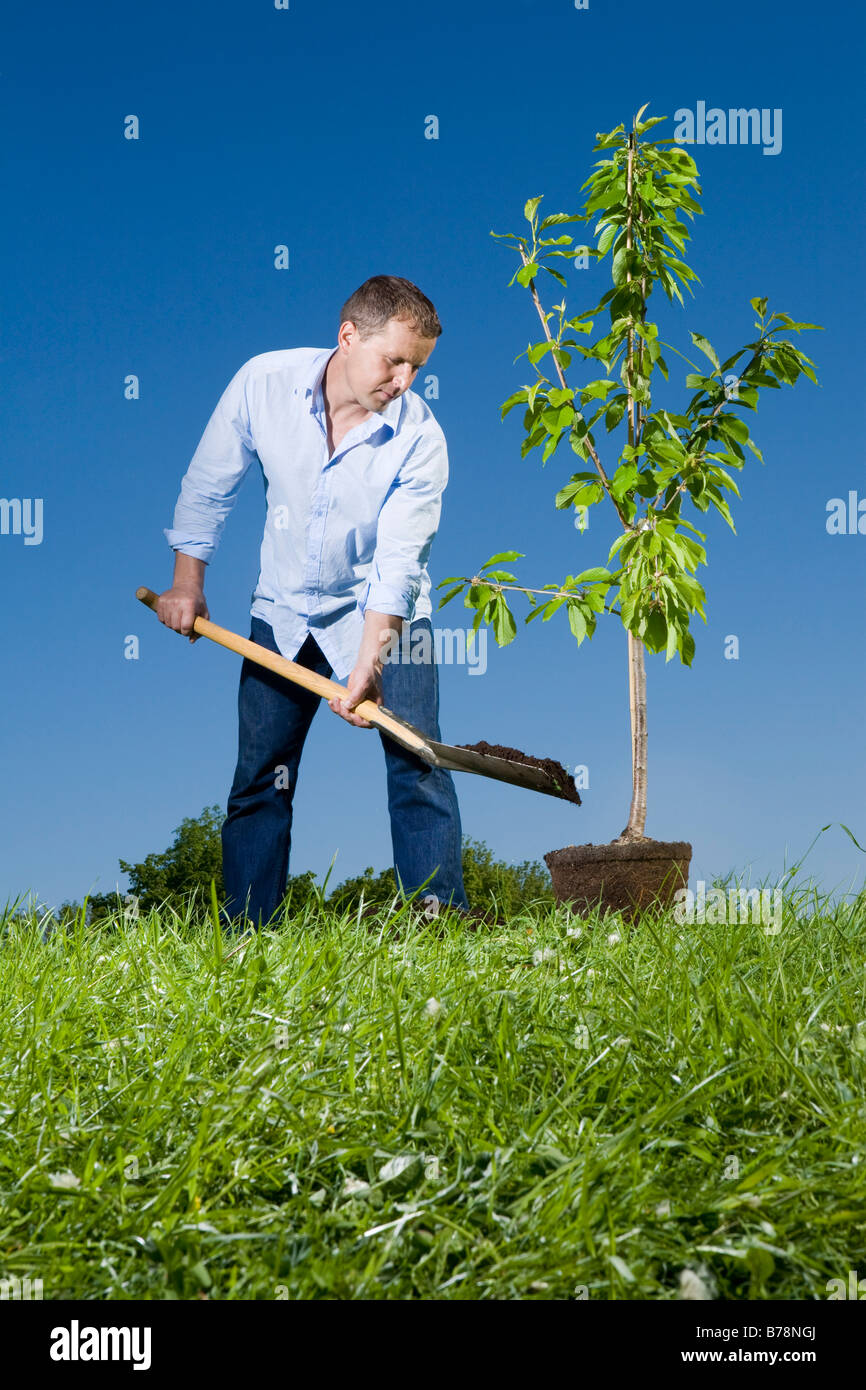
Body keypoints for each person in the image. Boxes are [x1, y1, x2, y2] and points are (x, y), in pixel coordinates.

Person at [156, 275, 470, 928]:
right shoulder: (262, 383)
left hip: (392, 614)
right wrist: (188, 581)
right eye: (395, 360)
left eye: (417, 368)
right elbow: (211, 482)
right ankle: (245, 937)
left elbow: (399, 561)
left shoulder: (422, 440)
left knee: (419, 761)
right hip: (285, 608)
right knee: (260, 778)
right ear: (348, 336)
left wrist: (371, 661)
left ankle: (439, 924)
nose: (405, 381)